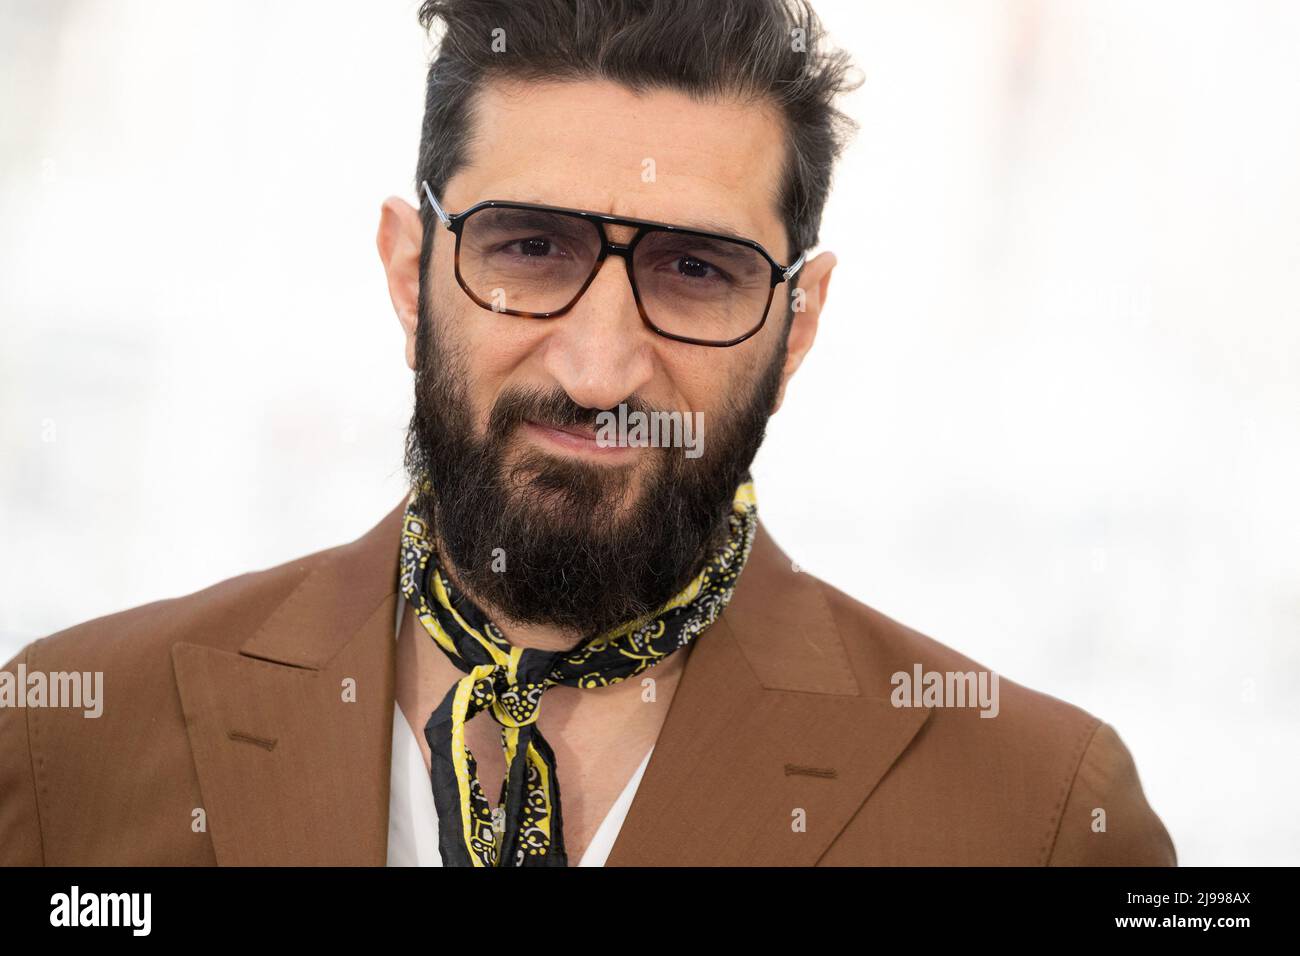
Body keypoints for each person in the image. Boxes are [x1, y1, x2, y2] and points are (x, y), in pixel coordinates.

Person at [0, 0, 1175, 867]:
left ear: (799, 322)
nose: (600, 364)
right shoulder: (67, 739)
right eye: (528, 248)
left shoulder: (1037, 817)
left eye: (696, 270)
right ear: (411, 273)